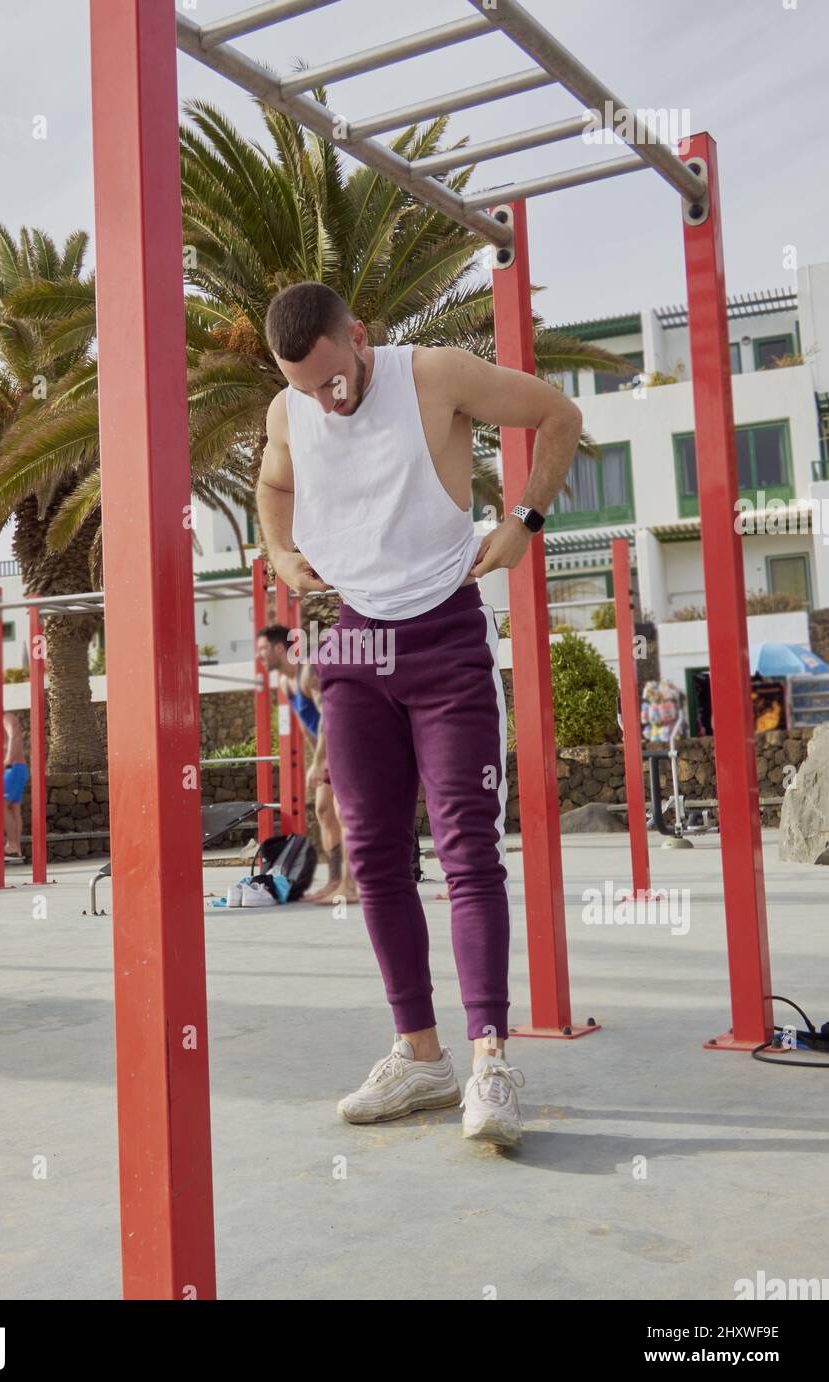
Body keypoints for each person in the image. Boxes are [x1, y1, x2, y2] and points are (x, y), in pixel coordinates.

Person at [256, 282, 581, 1147]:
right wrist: (282, 554)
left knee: (468, 847)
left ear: (357, 337)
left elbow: (558, 413)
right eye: (305, 386)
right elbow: (271, 484)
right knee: (370, 851)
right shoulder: (289, 411)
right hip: (353, 644)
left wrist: (524, 520)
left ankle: (488, 1063)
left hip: (443, 631)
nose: (327, 398)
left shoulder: (431, 376)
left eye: (333, 377)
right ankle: (420, 1055)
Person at [256, 623, 358, 903]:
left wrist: (319, 762)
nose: (260, 656)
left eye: (263, 649)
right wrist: (317, 761)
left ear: (279, 648)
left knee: (343, 813)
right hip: (329, 752)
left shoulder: (307, 672)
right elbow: (307, 725)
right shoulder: (287, 683)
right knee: (325, 810)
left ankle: (350, 886)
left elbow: (329, 717)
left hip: (347, 745)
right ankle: (336, 881)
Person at [2, 712, 29, 862]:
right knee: (14, 809)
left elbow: (14, 735)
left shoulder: (5, 717)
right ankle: (16, 849)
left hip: (13, 768)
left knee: (0, 805)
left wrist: (7, 759)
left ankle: (11, 845)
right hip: (17, 769)